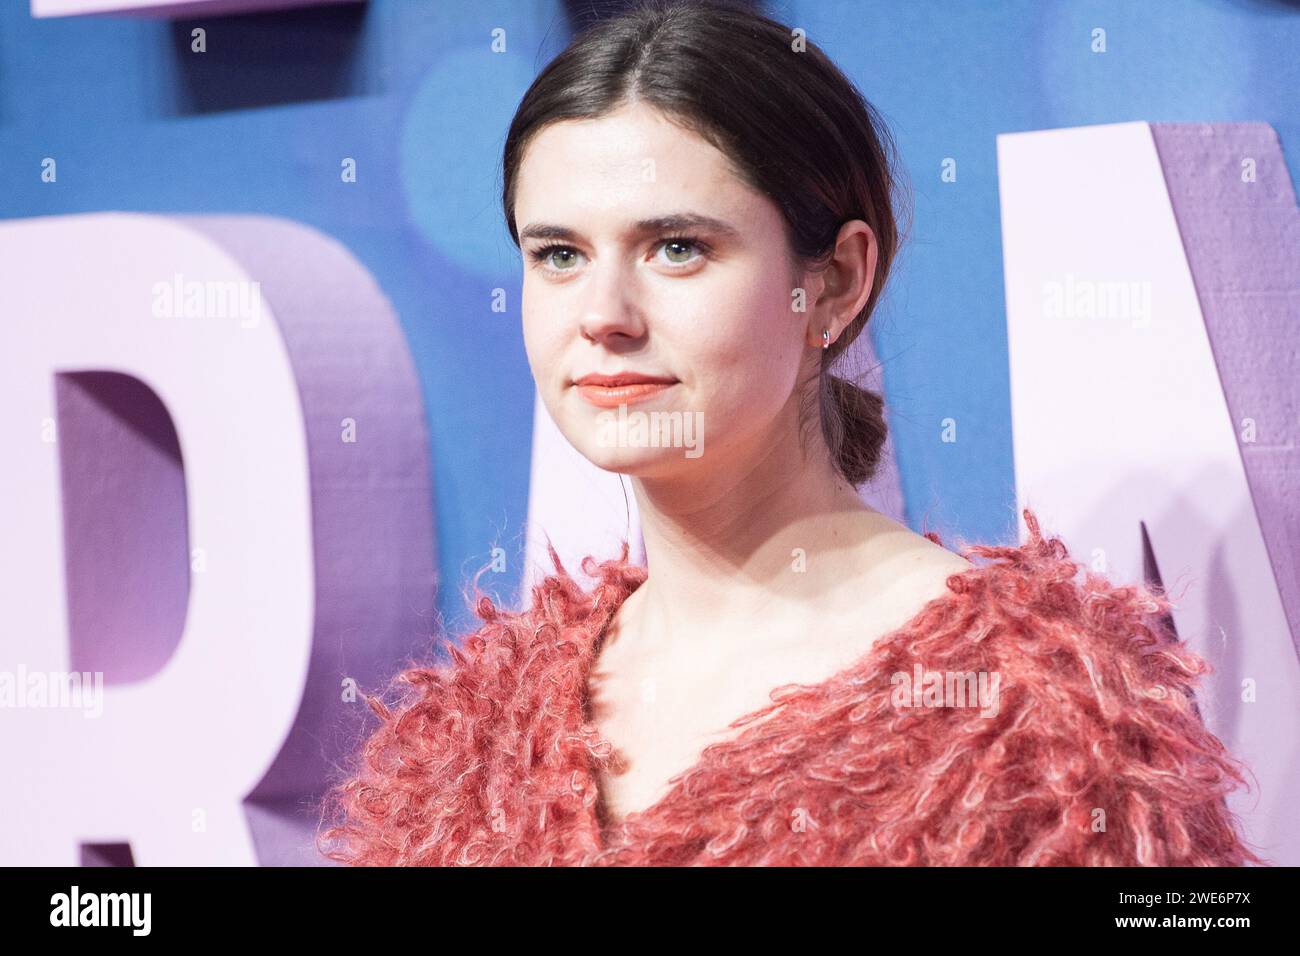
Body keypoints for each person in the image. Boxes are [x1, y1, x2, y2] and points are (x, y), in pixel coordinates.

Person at [316, 0, 1261, 866]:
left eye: (677, 248)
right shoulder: (470, 737)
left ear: (839, 282)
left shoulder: (1039, 719)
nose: (603, 312)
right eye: (558, 255)